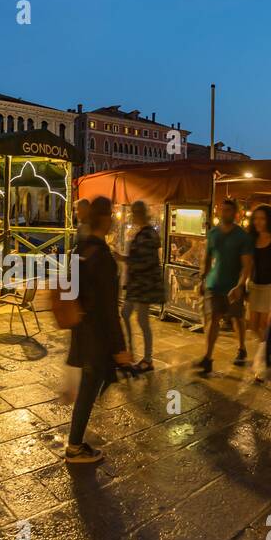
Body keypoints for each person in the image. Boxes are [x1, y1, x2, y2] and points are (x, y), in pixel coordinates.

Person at [64, 197, 132, 464]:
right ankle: (74, 446)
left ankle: (77, 439)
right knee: (90, 388)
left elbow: (72, 290)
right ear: (106, 220)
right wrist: (120, 348)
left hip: (81, 330)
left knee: (98, 381)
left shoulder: (78, 250)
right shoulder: (102, 257)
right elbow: (108, 309)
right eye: (112, 216)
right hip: (98, 336)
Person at [195, 197, 254, 375]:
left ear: (235, 214)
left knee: (237, 318)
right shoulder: (213, 233)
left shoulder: (242, 236)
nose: (224, 213)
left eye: (228, 210)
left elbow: (247, 265)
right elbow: (207, 258)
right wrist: (202, 279)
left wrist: (240, 285)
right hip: (215, 283)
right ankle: (207, 358)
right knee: (213, 319)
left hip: (233, 286)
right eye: (223, 210)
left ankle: (242, 348)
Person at [115, 200, 163, 373]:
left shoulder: (148, 234)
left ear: (141, 214)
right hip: (137, 285)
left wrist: (122, 258)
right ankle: (130, 352)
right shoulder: (144, 233)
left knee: (142, 321)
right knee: (125, 313)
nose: (132, 215)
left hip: (144, 285)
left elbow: (146, 262)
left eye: (134, 212)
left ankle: (147, 359)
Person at [246, 204, 271, 382]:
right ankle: (270, 352)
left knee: (264, 325)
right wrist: (244, 283)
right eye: (256, 218)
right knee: (253, 326)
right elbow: (249, 264)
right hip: (255, 286)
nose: (258, 222)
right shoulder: (251, 239)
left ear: (269, 219)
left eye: (262, 218)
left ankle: (264, 363)